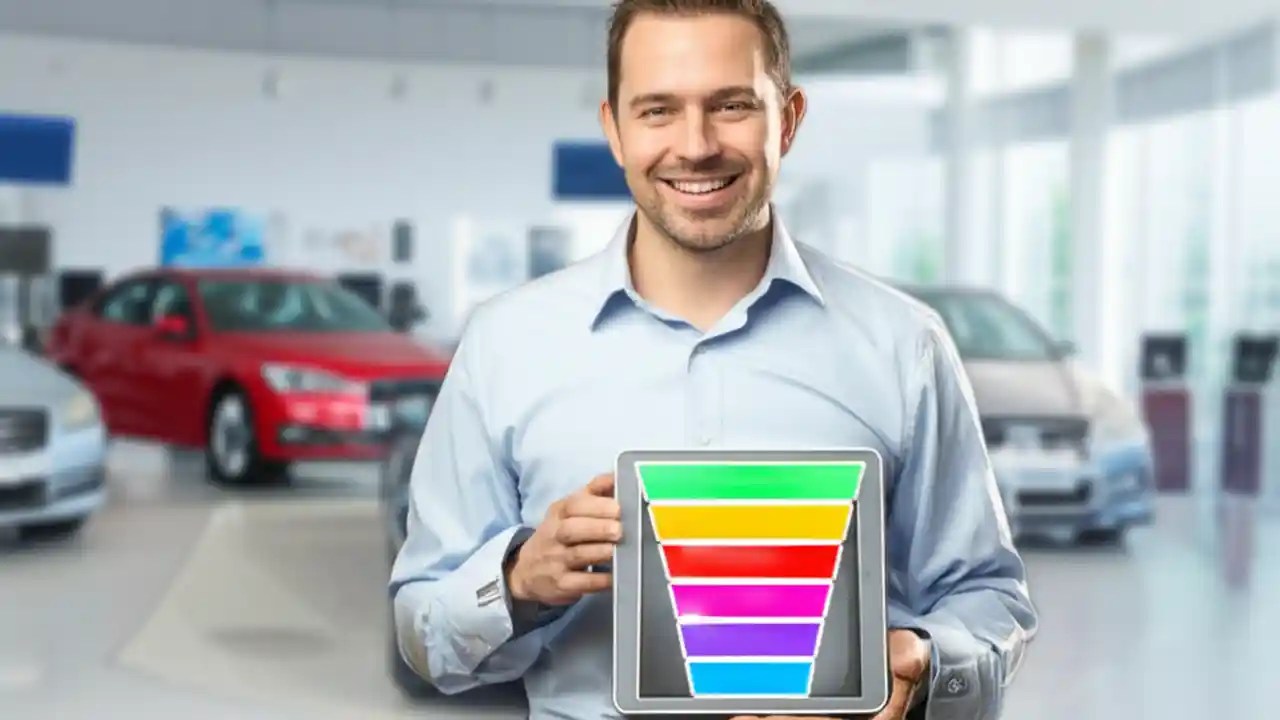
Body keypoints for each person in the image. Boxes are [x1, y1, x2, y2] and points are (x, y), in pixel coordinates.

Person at [389, 1, 1039, 718]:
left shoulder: (904, 346)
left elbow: (989, 597)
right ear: (614, 129)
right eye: (658, 111)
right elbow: (421, 632)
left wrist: (921, 655)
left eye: (731, 105)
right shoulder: (505, 344)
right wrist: (518, 583)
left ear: (787, 121)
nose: (695, 146)